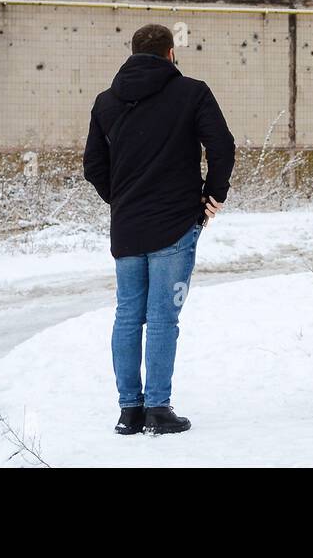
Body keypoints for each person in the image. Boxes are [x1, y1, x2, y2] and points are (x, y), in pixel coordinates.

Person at [83, 24, 235, 435]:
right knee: (163, 317)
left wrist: (123, 201)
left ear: (133, 55)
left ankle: (129, 410)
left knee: (128, 315)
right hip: (175, 225)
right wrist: (211, 197)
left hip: (128, 229)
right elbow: (222, 147)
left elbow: (93, 167)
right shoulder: (192, 92)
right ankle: (158, 408)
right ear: (170, 54)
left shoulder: (105, 102)